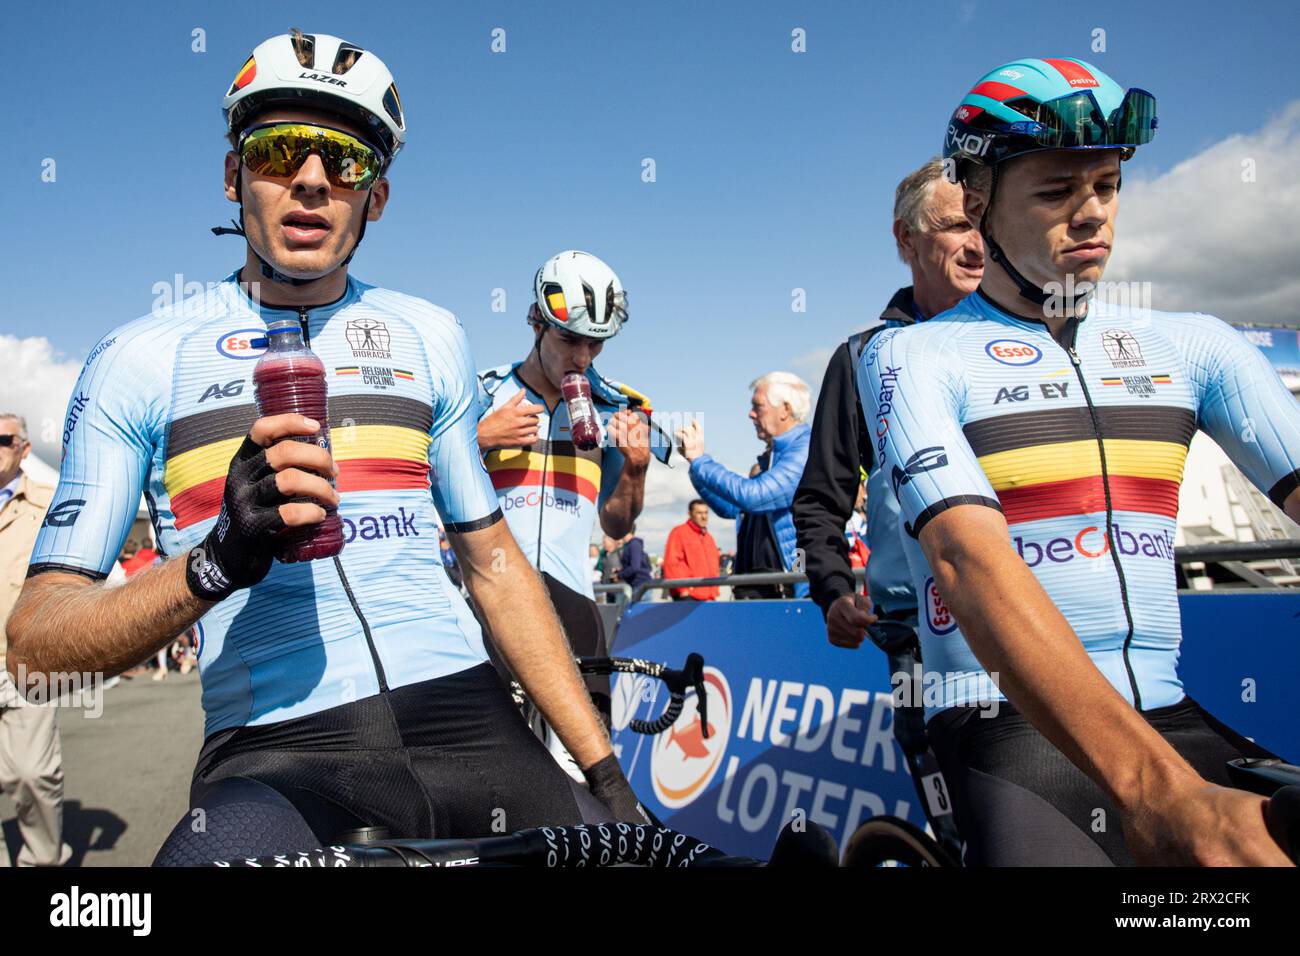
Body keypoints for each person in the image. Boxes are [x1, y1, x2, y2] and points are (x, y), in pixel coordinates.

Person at [7, 31, 645, 867]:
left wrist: (606, 779)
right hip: (277, 749)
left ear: (375, 198)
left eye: (345, 162)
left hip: (466, 717)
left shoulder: (430, 334)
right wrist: (217, 561)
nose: (311, 179)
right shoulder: (141, 357)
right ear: (233, 176)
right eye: (278, 151)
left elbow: (492, 566)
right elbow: (34, 643)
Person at [861, 57, 1300, 866]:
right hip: (1005, 716)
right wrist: (1160, 796)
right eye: (1057, 192)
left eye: (1107, 184)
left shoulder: (1196, 342)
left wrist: (1167, 784)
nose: (1093, 214)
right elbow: (964, 561)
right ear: (979, 202)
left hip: (1169, 709)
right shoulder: (910, 356)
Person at [475, 250, 656, 774]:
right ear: (536, 322)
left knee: (585, 769)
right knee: (495, 769)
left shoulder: (618, 406)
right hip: (491, 598)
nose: (582, 356)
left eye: (594, 343)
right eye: (569, 339)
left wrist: (637, 470)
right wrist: (480, 437)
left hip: (573, 600)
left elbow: (618, 525)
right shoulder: (483, 391)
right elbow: (420, 480)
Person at [793, 158, 983, 646]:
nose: (978, 243)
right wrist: (833, 591)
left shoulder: (1041, 341)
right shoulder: (862, 359)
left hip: (1046, 619)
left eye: (985, 222)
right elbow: (820, 499)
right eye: (959, 225)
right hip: (918, 630)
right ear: (906, 239)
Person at [0, 414, 71, 867]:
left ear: (24, 450)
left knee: (31, 773)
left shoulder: (49, 503)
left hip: (22, 661)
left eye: (2, 439)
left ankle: (43, 860)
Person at [677, 372, 812, 599]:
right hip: (755, 584)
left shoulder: (805, 449)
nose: (750, 414)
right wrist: (694, 465)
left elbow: (754, 496)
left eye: (757, 406)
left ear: (785, 410)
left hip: (787, 586)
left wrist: (701, 461)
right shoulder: (772, 457)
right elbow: (732, 508)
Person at [662, 500, 721, 601]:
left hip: (709, 596)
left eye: (706, 512)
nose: (704, 516)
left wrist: (714, 590)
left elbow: (714, 565)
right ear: (690, 514)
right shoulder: (679, 533)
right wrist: (683, 590)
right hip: (689, 596)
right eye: (699, 513)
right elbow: (672, 562)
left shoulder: (708, 538)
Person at [618, 527, 652, 594]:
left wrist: (619, 575)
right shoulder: (629, 545)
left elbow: (635, 567)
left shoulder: (634, 544)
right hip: (636, 584)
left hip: (640, 584)